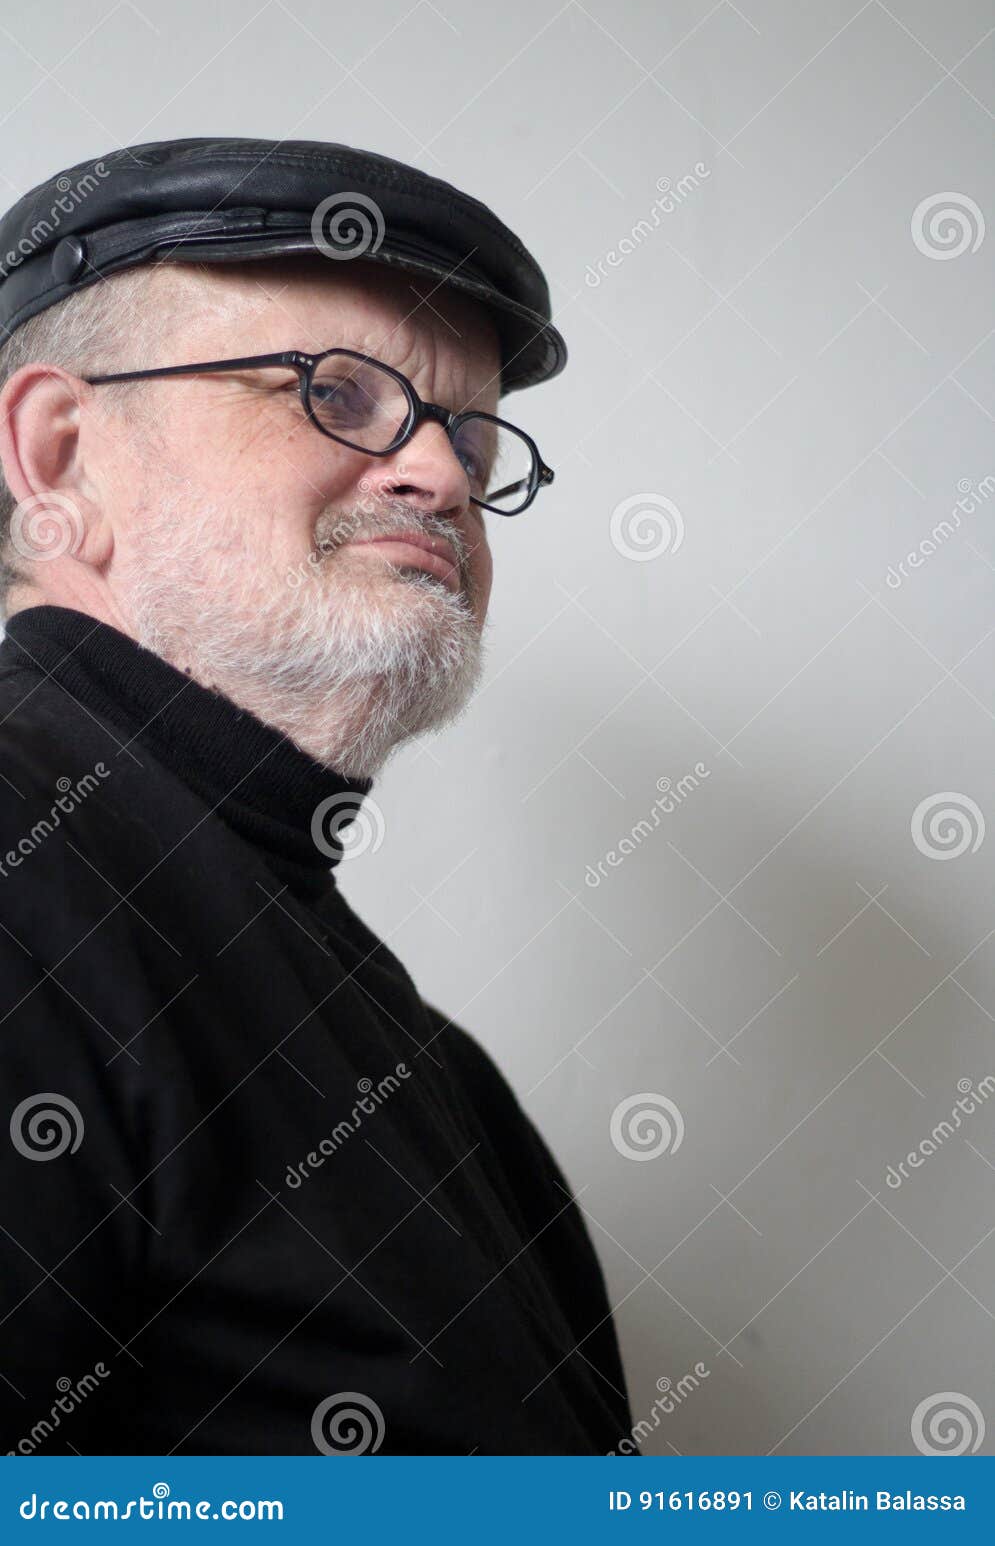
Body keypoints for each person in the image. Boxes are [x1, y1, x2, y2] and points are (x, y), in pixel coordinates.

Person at [0, 138, 636, 1455]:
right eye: (339, 394)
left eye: (468, 430)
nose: (445, 477)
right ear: (62, 457)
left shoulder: (432, 1066)